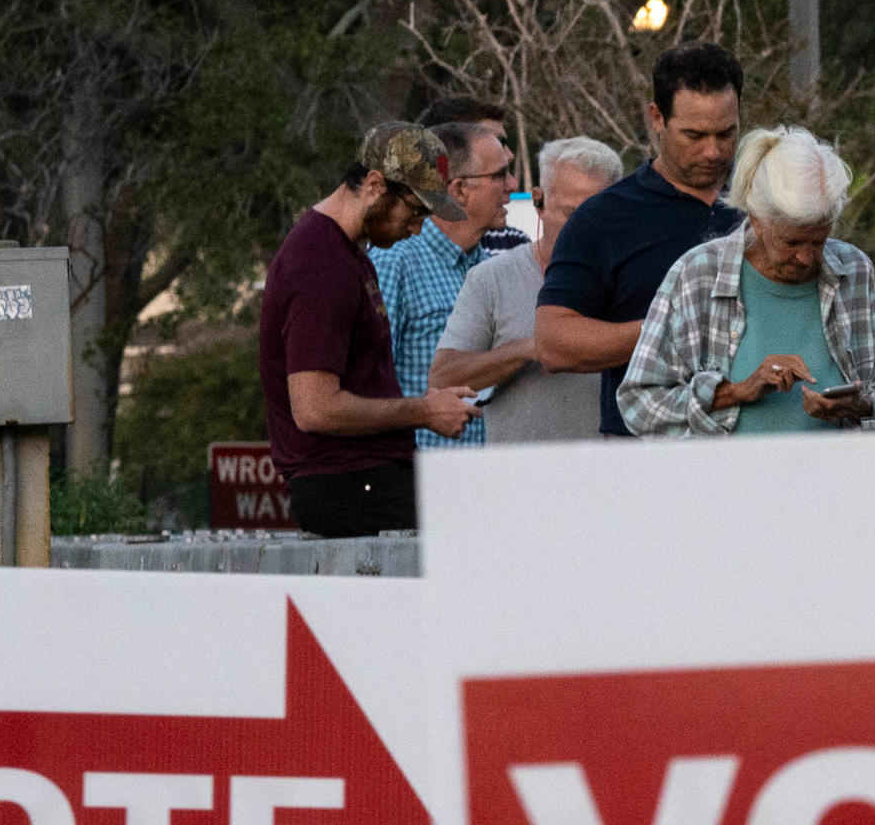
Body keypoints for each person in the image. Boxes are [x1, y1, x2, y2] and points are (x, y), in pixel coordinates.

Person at [617, 128, 875, 437]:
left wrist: (858, 406)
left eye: (819, 241)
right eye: (792, 242)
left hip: (836, 478)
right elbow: (639, 404)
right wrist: (737, 391)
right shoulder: (698, 274)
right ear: (756, 219)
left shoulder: (854, 271)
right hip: (726, 480)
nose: (806, 258)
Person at [260, 122, 474, 534]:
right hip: (348, 485)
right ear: (376, 184)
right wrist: (423, 411)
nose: (416, 229)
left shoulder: (345, 253)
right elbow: (316, 408)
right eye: (415, 212)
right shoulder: (321, 263)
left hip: (364, 480)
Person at [535, 39, 748, 429]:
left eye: (726, 133)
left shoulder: (765, 203)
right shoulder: (605, 217)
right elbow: (554, 342)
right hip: (647, 456)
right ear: (656, 117)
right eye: (694, 136)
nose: (714, 152)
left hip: (762, 450)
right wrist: (671, 329)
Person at [436, 135, 622, 445]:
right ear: (539, 201)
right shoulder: (491, 279)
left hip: (619, 482)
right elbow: (444, 379)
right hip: (520, 484)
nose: (585, 229)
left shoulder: (635, 280)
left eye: (598, 215)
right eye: (571, 214)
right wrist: (530, 348)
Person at [374, 101, 524, 435]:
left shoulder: (488, 268)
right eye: (500, 175)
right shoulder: (395, 260)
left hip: (484, 476)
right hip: (420, 478)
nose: (513, 185)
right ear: (458, 190)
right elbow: (368, 388)